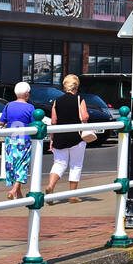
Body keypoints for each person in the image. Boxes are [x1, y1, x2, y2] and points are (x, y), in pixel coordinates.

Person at [48, 74, 90, 203]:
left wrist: (52, 139)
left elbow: (54, 121)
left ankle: (50, 187)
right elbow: (84, 117)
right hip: (76, 136)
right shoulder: (80, 99)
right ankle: (72, 195)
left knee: (59, 163)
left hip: (60, 136)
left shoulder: (57, 101)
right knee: (76, 165)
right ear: (76, 86)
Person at [0, 82, 36, 201]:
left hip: (11, 139)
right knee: (22, 164)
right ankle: (14, 190)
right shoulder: (30, 107)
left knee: (12, 164)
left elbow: (1, 122)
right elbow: (34, 123)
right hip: (24, 140)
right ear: (26, 94)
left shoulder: (8, 106)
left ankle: (18, 193)